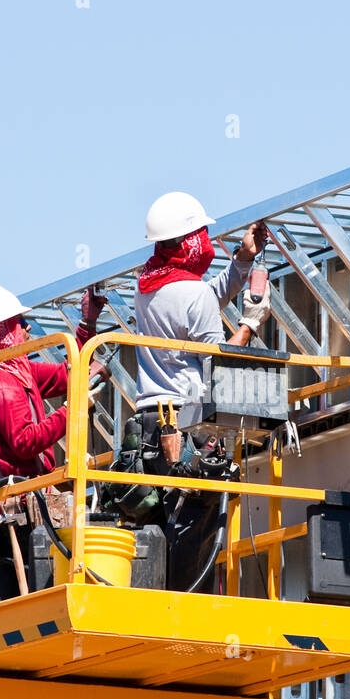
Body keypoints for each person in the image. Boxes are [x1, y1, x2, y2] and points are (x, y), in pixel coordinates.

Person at [113, 192, 273, 591]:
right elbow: (219, 367)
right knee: (194, 534)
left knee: (161, 530)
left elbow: (198, 299)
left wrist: (242, 261)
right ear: (189, 242)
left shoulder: (147, 287)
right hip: (185, 425)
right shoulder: (193, 293)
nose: (205, 242)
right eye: (201, 234)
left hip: (149, 422)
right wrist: (251, 322)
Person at [0, 283, 107, 600]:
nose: (27, 328)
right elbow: (25, 441)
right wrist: (72, 411)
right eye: (18, 322)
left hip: (28, 510)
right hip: (17, 515)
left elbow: (68, 375)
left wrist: (87, 325)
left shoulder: (15, 369)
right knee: (24, 601)